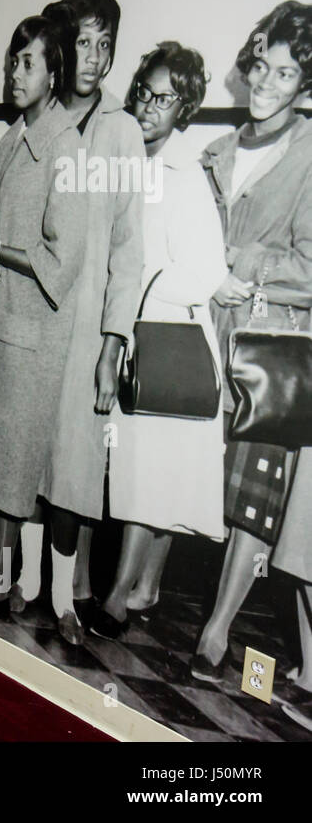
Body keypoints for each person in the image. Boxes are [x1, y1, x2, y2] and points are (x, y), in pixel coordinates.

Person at [191, 1, 312, 684]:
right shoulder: (218, 152)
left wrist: (244, 261)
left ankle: (218, 629)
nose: (267, 83)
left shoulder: (310, 155)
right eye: (261, 66)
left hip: (272, 347)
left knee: (256, 491)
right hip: (209, 335)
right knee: (209, 478)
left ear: (306, 86)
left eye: (287, 73)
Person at [0, 16, 86, 640]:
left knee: (10, 464)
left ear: (54, 74)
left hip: (34, 329)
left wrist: (1, 250)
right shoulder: (12, 139)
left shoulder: (66, 147)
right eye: (13, 61)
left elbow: (64, 262)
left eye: (28, 63)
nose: (16, 73)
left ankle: (4, 578)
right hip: (1, 321)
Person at [94, 42, 227, 641]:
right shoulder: (128, 161)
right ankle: (145, 586)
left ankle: (119, 596)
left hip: (169, 343)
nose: (147, 106)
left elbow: (208, 271)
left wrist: (141, 287)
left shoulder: (187, 175)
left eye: (163, 98)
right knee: (157, 476)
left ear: (186, 107)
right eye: (142, 92)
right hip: (143, 335)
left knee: (154, 473)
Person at [24, 0, 144, 639]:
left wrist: (112, 344)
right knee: (27, 453)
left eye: (106, 44)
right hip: (32, 319)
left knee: (73, 460)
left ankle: (67, 599)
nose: (94, 58)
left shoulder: (120, 132)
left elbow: (130, 249)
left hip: (87, 330)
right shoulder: (39, 121)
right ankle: (26, 581)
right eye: (84, 43)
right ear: (63, 47)